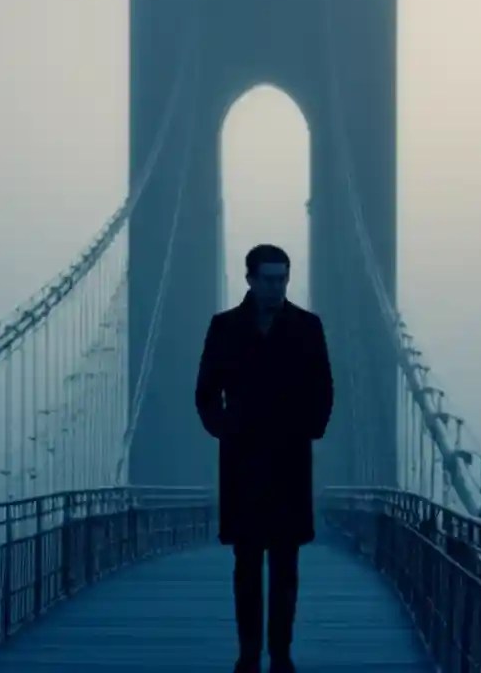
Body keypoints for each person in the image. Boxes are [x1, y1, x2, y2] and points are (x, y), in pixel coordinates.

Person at [194, 244, 335, 673]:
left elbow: (323, 389)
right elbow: (205, 393)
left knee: (286, 566)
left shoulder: (308, 327)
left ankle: (281, 654)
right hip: (242, 464)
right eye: (269, 279)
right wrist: (225, 429)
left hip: (290, 463)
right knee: (247, 565)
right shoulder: (224, 327)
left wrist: (309, 429)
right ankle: (249, 653)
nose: (277, 286)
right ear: (251, 279)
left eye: (283, 278)